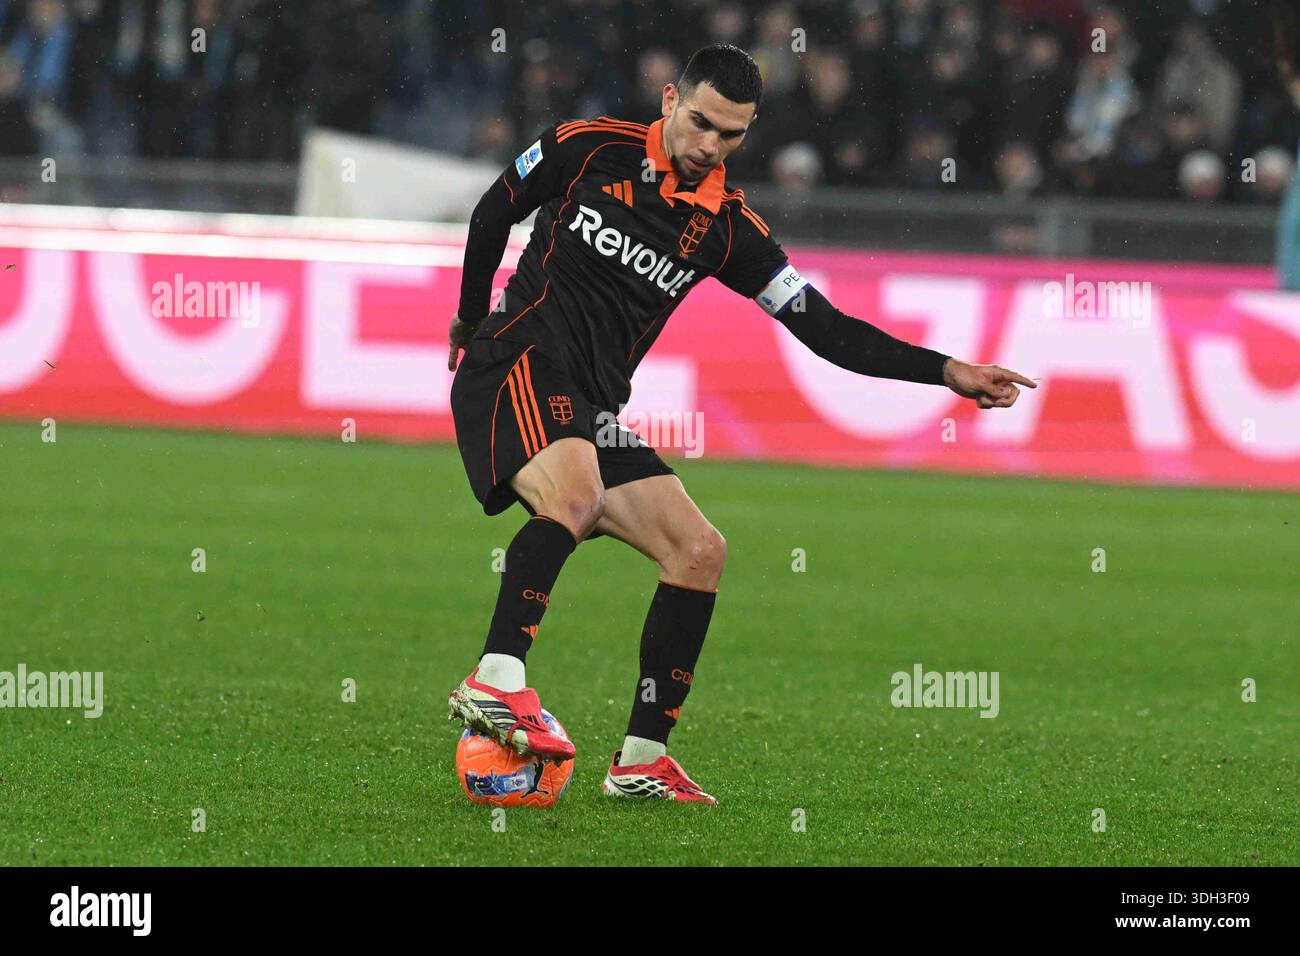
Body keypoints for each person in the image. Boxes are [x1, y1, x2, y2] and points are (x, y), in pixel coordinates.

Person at [445, 43, 1035, 804]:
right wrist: (467, 320)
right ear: (668, 101)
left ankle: (641, 761)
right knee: (577, 492)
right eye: (699, 123)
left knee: (698, 550)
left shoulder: (729, 228)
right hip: (514, 359)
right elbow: (494, 209)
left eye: (730, 134)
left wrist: (947, 370)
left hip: (589, 411)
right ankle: (496, 677)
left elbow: (827, 329)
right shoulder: (585, 146)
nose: (709, 145)